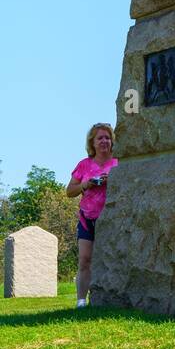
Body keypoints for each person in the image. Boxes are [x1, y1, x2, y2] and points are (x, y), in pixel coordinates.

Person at [66, 124, 118, 308]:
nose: (104, 141)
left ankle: (113, 298)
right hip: (87, 217)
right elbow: (69, 191)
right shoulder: (84, 165)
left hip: (113, 218)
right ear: (92, 143)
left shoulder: (119, 162)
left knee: (113, 259)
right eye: (100, 138)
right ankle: (81, 301)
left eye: (107, 137)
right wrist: (85, 184)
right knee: (85, 259)